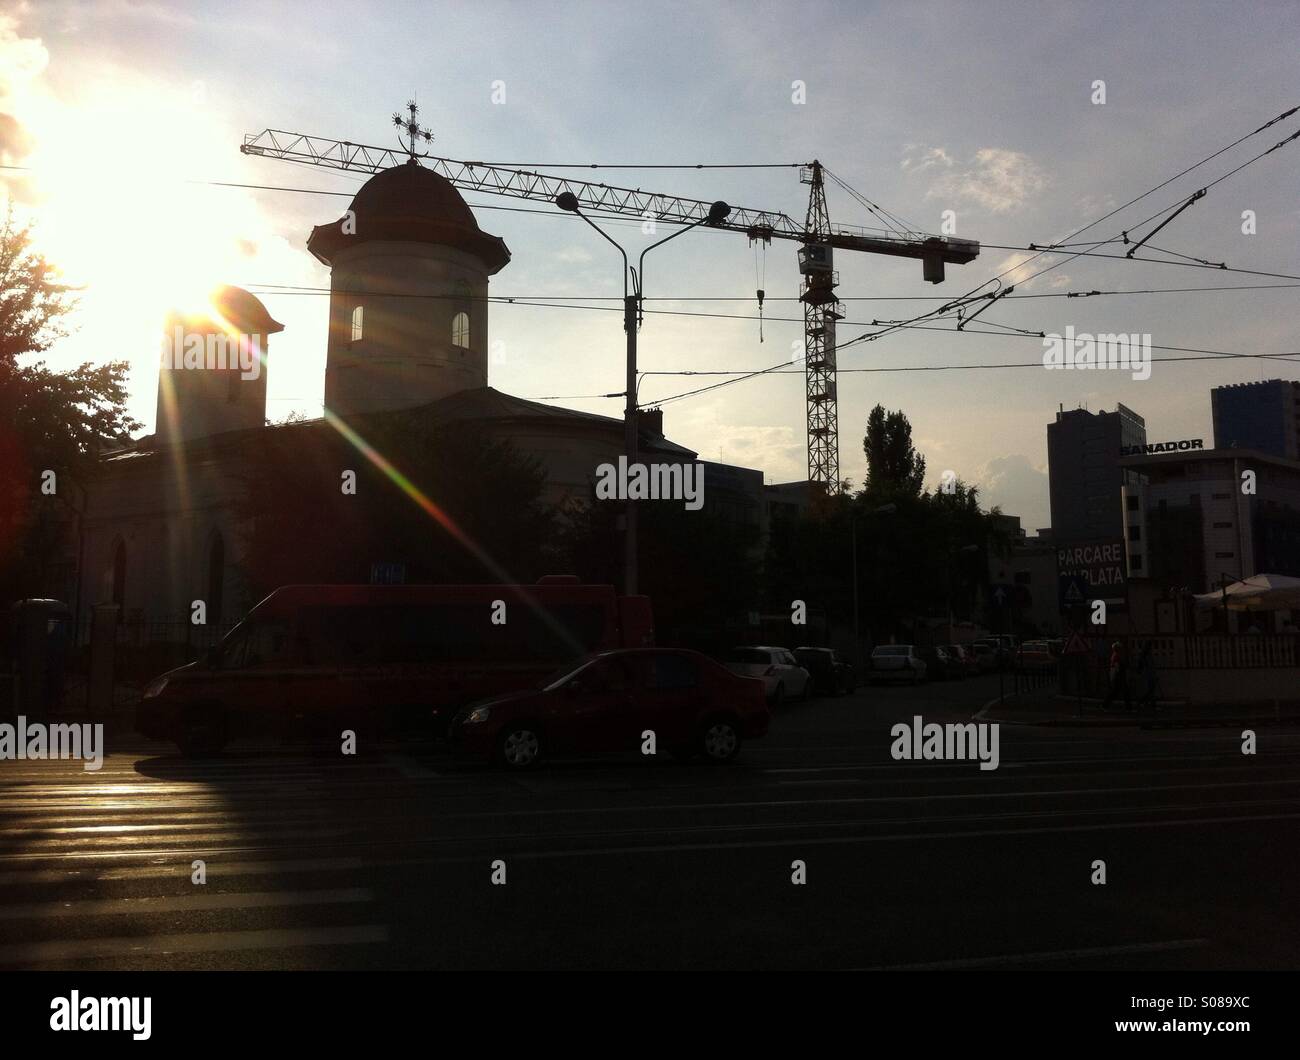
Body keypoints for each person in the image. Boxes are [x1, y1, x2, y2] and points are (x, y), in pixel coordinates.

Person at [1102, 640, 1130, 712]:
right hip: (1118, 676)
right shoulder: (1116, 656)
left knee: (1117, 692)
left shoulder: (1116, 655)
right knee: (1119, 692)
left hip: (1118, 676)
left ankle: (1105, 705)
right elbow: (1117, 668)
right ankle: (1105, 705)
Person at [1136, 641, 1158, 712]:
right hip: (1149, 674)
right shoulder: (1146, 656)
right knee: (1150, 690)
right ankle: (1145, 702)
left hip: (1149, 674)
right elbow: (1147, 665)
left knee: (1151, 690)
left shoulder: (1146, 655)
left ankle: (1146, 703)